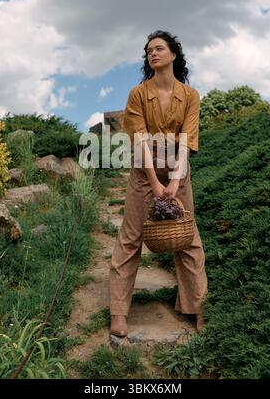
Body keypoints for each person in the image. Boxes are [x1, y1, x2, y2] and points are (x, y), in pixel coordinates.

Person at [109, 30, 208, 337]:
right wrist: (154, 182)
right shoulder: (138, 93)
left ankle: (198, 307)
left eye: (159, 49)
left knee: (189, 239)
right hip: (144, 170)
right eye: (149, 50)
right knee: (130, 238)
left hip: (179, 168)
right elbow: (139, 140)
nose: (153, 53)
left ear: (173, 55)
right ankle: (119, 312)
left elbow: (187, 141)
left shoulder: (190, 96)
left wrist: (176, 180)